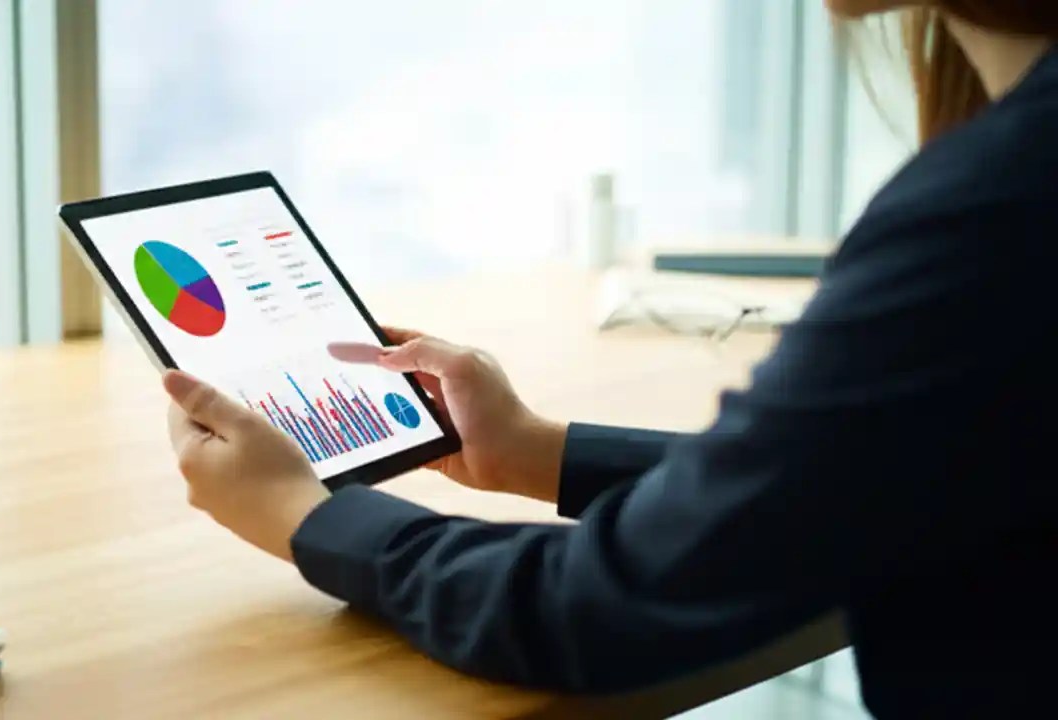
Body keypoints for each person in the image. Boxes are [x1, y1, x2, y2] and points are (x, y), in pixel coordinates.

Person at [161, 1, 1057, 716]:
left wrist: (303, 517)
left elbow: (593, 613)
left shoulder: (995, 211)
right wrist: (540, 452)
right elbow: (854, 482)